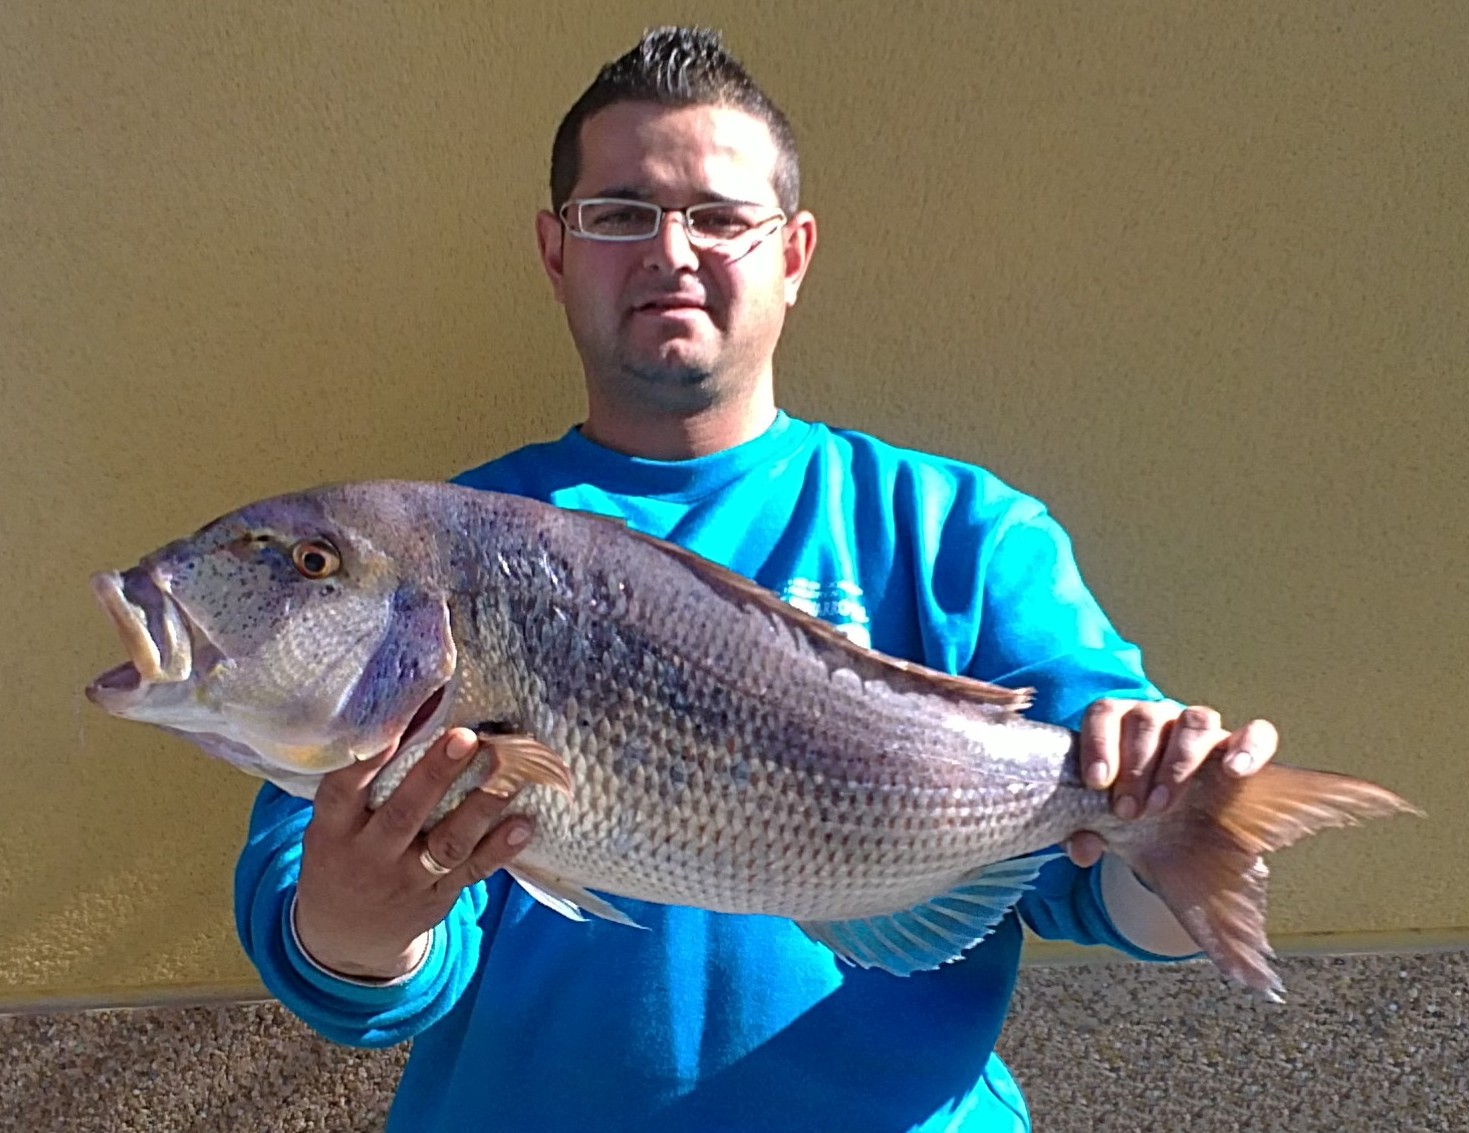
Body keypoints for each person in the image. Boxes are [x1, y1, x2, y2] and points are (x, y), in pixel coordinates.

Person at [236, 26, 1278, 1132]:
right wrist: (358, 925)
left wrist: (1197, 828)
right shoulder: (439, 559)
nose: (670, 252)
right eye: (620, 212)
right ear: (555, 249)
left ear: (792, 253)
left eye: (720, 218)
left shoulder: (957, 530)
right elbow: (354, 962)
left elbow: (1111, 885)